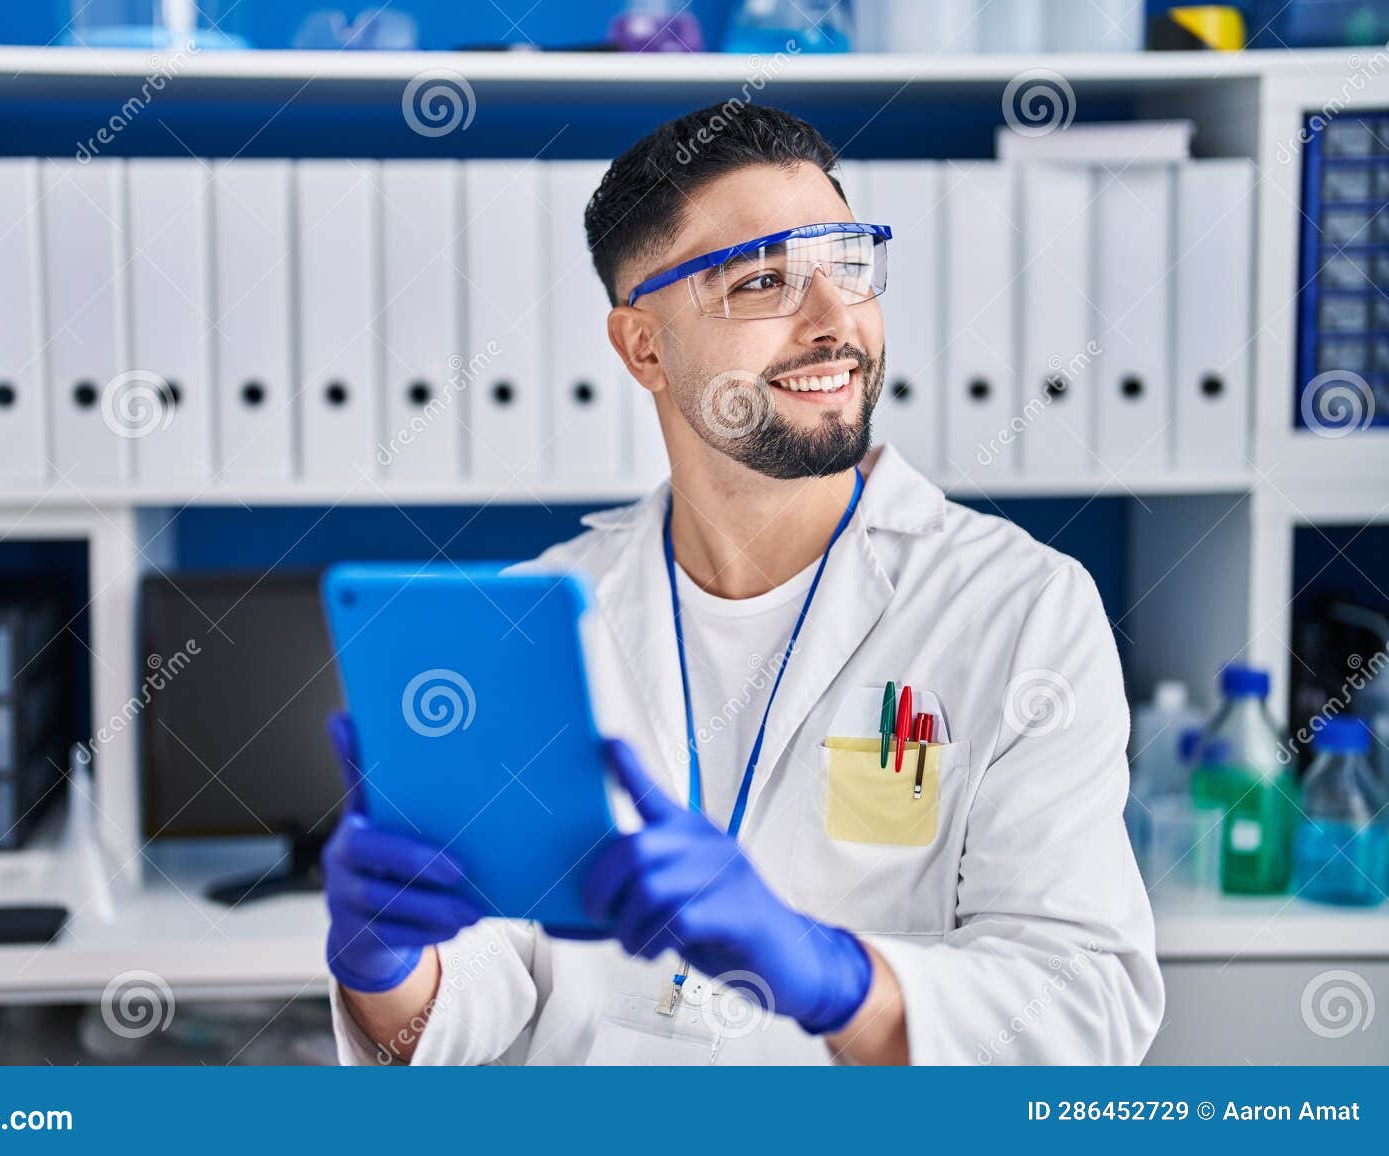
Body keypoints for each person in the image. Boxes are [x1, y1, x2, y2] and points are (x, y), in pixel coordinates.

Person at [321, 103, 1164, 1065]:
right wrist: (384, 967)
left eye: (849, 268)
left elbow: (1087, 1008)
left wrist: (828, 976)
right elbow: (483, 984)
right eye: (765, 280)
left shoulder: (1018, 609)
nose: (836, 322)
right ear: (642, 348)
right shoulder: (539, 618)